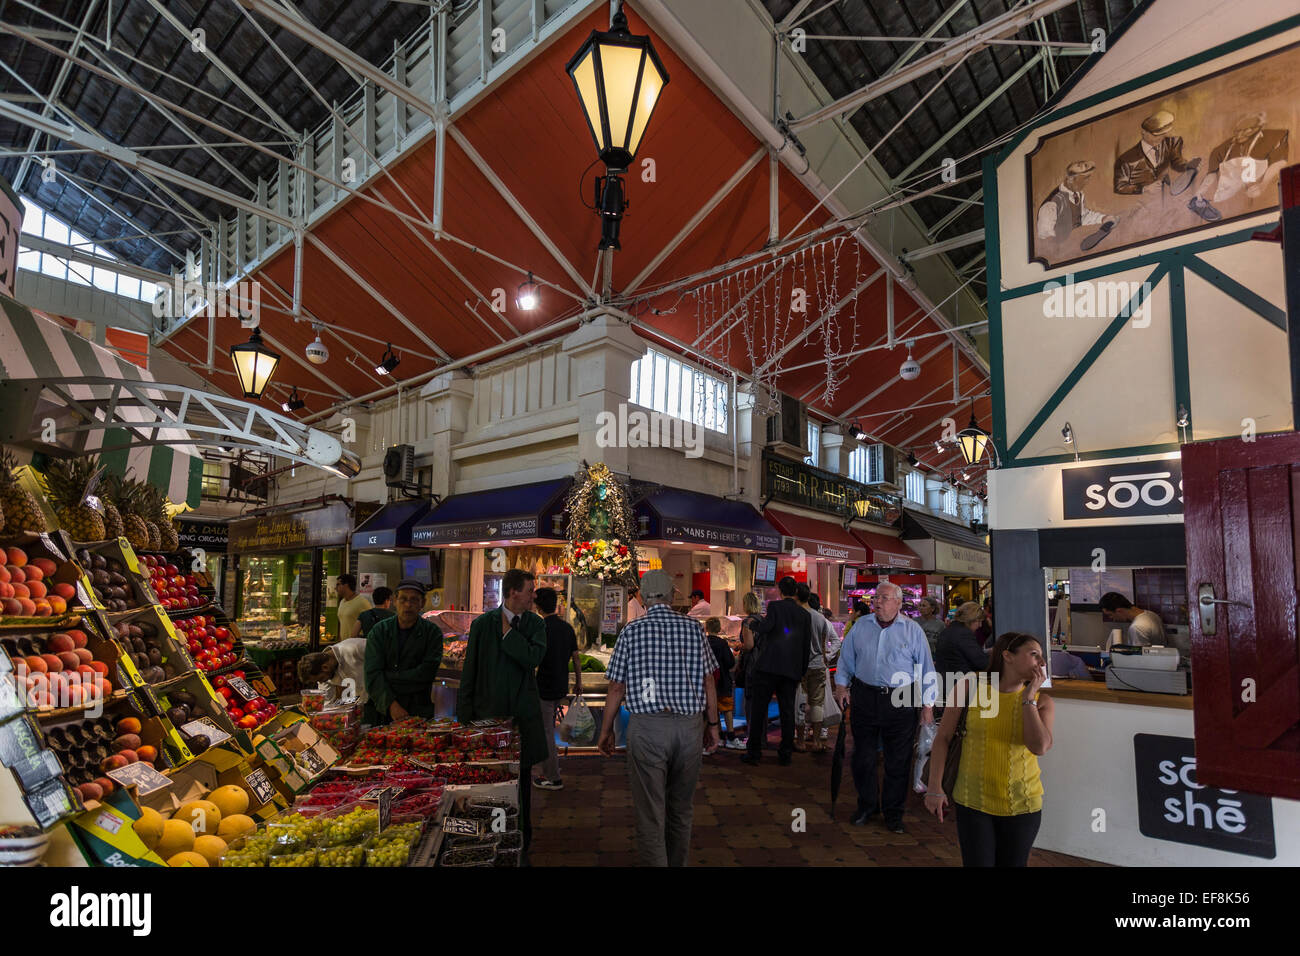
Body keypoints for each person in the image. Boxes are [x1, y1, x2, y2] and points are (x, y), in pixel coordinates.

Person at [597, 569, 720, 867]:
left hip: (648, 730)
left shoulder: (631, 631)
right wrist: (713, 725)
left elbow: (616, 687)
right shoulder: (694, 629)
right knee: (681, 809)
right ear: (670, 594)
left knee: (651, 812)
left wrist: (607, 730)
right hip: (689, 729)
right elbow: (708, 682)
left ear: (643, 595)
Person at [925, 632, 1055, 867]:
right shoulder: (971, 685)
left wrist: (1027, 699)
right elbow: (943, 738)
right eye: (1034, 654)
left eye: (1042, 657)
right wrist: (934, 788)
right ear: (1008, 656)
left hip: (1022, 802)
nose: (1042, 663)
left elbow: (1039, 747)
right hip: (973, 800)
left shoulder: (1041, 700)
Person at [831, 581, 935, 834]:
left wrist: (927, 706)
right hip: (865, 697)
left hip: (901, 700)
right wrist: (842, 687)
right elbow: (846, 659)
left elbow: (926, 669)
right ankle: (867, 806)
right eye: (876, 597)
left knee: (897, 761)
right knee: (862, 758)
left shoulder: (912, 631)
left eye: (884, 598)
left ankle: (893, 813)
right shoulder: (861, 627)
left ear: (898, 603)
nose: (877, 602)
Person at [459, 568, 548, 850]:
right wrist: (464, 716)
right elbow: (470, 669)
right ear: (513, 592)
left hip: (522, 716)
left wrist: (509, 635)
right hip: (488, 715)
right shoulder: (483, 624)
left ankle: (522, 835)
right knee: (489, 777)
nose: (534, 596)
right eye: (530, 591)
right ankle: (487, 836)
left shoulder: (535, 624)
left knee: (521, 779)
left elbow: (534, 657)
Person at [741, 575, 810, 767]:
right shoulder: (804, 615)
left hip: (769, 667)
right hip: (791, 670)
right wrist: (801, 670)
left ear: (780, 590)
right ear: (795, 591)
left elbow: (766, 628)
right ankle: (785, 753)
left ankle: (754, 752)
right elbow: (806, 645)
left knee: (758, 709)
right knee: (787, 712)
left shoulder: (774, 607)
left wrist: (752, 624)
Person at [362, 580, 443, 726]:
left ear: (422, 603)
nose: (408, 604)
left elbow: (427, 672)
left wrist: (390, 676)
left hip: (418, 709)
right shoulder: (379, 631)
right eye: (403, 599)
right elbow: (372, 674)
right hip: (381, 711)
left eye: (414, 600)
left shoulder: (432, 633)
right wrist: (391, 705)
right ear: (394, 601)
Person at [1188, 112, 1289, 221]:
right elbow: (1212, 173)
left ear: (1258, 128)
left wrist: (1263, 184)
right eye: (1238, 131)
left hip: (1264, 202)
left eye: (1246, 131)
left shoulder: (1274, 138)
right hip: (1230, 200)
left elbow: (1279, 161)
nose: (1240, 135)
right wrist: (1201, 191)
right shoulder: (1221, 150)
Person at [532, 586, 584, 790]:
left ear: (538, 607)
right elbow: (577, 659)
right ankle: (546, 770)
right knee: (548, 730)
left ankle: (553, 777)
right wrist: (578, 683)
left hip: (544, 686)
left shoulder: (540, 628)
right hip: (561, 686)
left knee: (546, 732)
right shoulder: (567, 628)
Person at [1113, 109, 1200, 195]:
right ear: (1143, 132)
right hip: (1140, 203)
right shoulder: (1126, 159)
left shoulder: (1171, 144)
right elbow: (1120, 187)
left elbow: (1177, 163)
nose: (1160, 138)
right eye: (1155, 135)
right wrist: (1144, 189)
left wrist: (1188, 165)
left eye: (1163, 134)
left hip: (1167, 196)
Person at [794, 584, 833, 754]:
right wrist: (825, 658)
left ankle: (801, 741)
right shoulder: (820, 618)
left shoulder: (796, 616)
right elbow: (824, 642)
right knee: (817, 703)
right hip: (818, 665)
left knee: (801, 702)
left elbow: (790, 638)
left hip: (800, 666)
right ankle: (817, 741)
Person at [1035, 160, 1116, 241]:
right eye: (1085, 178)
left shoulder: (1078, 194)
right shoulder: (1051, 204)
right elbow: (1045, 238)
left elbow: (1082, 217)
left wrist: (1103, 218)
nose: (1087, 182)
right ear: (1071, 179)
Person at [934, 602, 989, 688]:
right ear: (971, 619)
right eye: (979, 621)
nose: (980, 625)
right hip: (960, 685)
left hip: (944, 682)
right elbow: (981, 663)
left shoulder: (948, 631)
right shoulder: (964, 634)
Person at [298, 637, 368, 706]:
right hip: (363, 700)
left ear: (325, 667)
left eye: (321, 679)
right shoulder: (324, 674)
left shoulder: (354, 647)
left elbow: (378, 653)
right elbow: (327, 703)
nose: (321, 682)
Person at [703, 617, 738, 750]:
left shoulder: (704, 642)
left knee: (709, 711)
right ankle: (730, 737)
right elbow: (730, 662)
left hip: (708, 683)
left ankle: (711, 739)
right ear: (718, 629)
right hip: (723, 681)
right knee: (727, 708)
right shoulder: (722, 644)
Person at [1098, 592, 1166, 647]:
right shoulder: (1151, 614)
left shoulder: (1137, 627)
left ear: (1119, 611)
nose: (1111, 618)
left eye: (1110, 614)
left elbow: (1140, 658)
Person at [335, 574, 371, 643]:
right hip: (344, 645)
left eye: (338, 584)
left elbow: (370, 626)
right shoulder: (342, 602)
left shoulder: (362, 602)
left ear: (346, 585)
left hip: (356, 646)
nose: (335, 588)